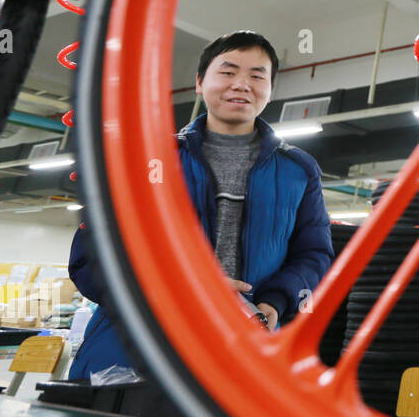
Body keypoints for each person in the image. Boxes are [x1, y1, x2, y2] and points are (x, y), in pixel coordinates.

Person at [68, 31, 334, 379]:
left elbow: (314, 254)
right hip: (134, 351)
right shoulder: (145, 158)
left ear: (270, 89)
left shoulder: (299, 170)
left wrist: (275, 302)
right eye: (228, 71)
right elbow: (91, 257)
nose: (242, 84)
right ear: (199, 82)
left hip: (246, 353)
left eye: (257, 75)